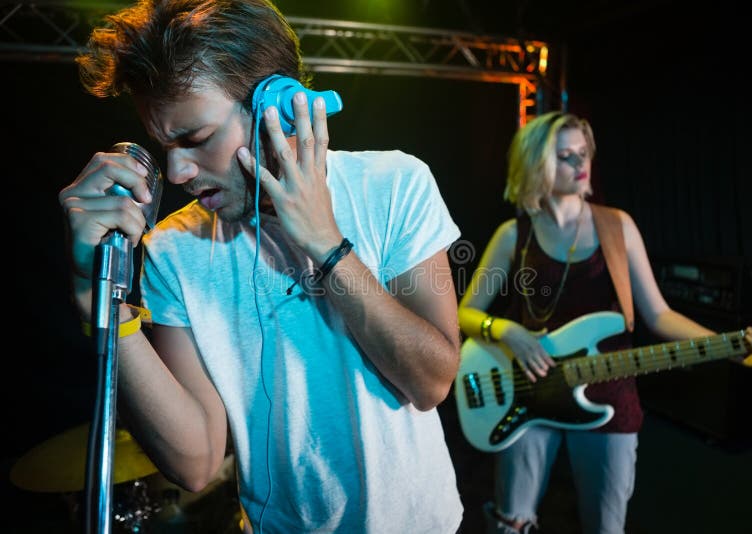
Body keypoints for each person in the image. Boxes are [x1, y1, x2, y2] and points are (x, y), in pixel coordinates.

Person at [58, 1, 464, 532]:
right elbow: (196, 464)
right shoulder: (171, 251)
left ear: (280, 106)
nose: (176, 172)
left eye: (196, 139)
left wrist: (326, 244)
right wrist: (98, 300)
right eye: (165, 146)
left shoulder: (395, 185)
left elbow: (431, 382)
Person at [457, 111, 752, 534]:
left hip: (609, 395)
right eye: (565, 155)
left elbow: (659, 314)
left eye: (583, 152)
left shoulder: (617, 226)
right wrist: (506, 331)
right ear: (536, 164)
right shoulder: (512, 234)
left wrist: (731, 346)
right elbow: (465, 312)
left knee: (606, 526)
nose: (580, 163)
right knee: (511, 522)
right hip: (526, 393)